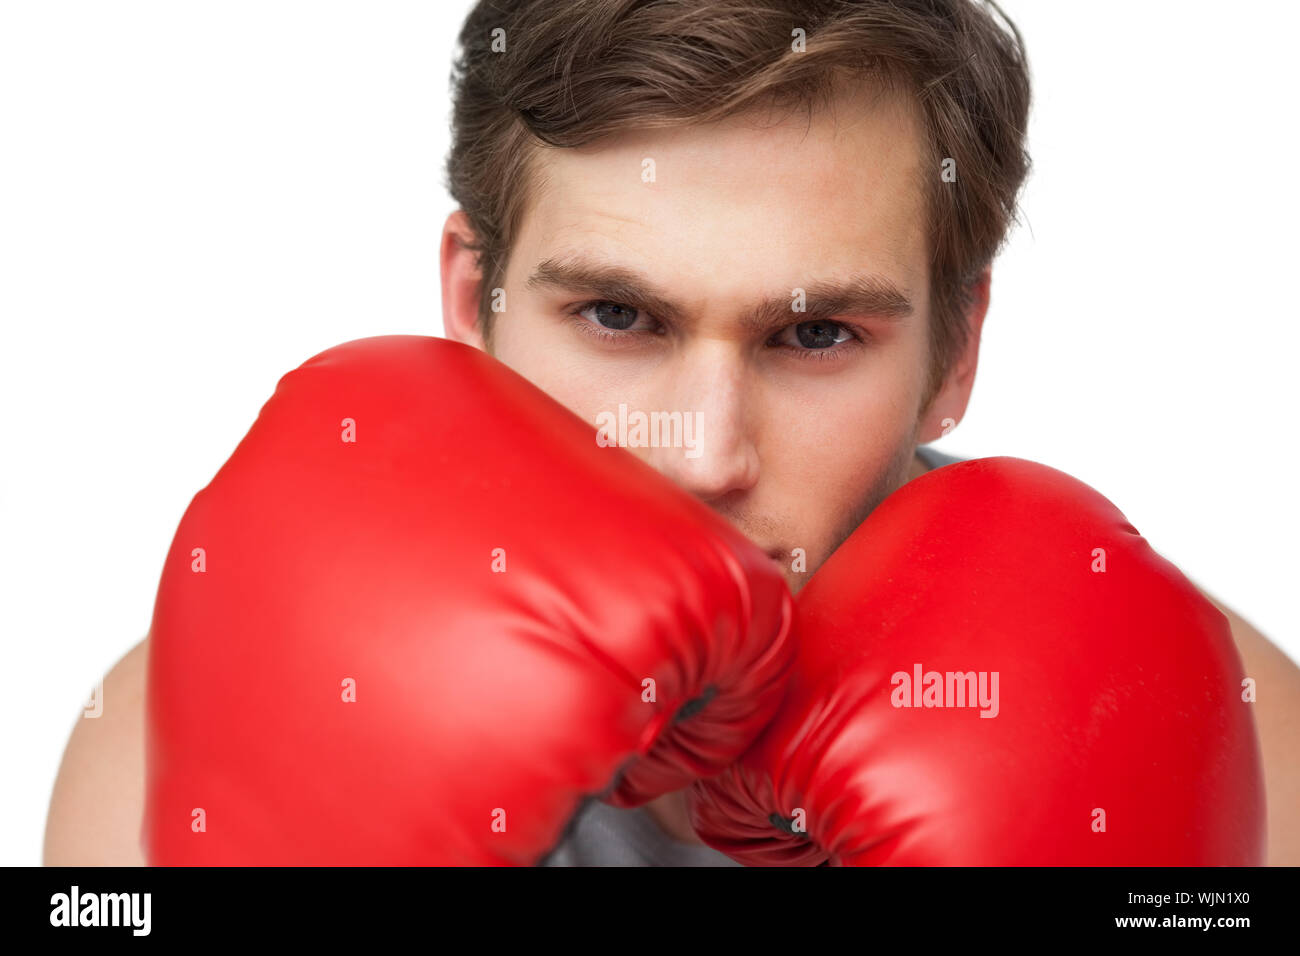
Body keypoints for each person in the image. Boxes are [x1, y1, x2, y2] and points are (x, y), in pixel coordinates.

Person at [45, 0, 1300, 866]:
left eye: (813, 337)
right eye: (616, 315)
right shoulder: (197, 720)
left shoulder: (1227, 727)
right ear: (465, 306)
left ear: (954, 352)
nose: (703, 453)